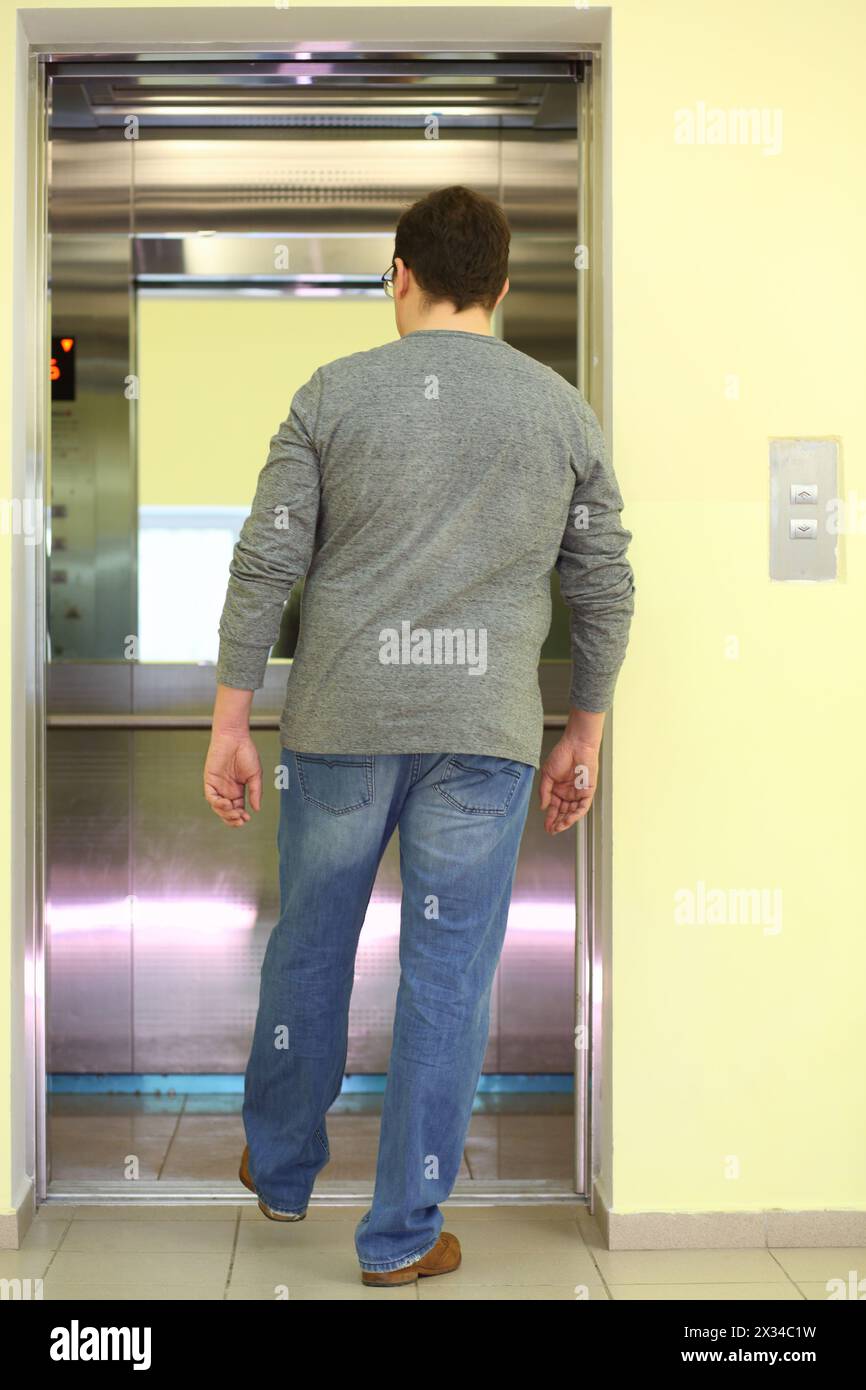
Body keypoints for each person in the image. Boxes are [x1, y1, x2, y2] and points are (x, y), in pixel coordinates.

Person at [204, 184, 634, 1287]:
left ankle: (286, 1164)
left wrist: (230, 720)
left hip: (341, 721)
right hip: (482, 737)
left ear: (399, 275)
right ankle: (400, 1237)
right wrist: (579, 732)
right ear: (499, 286)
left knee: (310, 941)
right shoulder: (558, 412)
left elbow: (265, 563)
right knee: (447, 979)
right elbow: (603, 587)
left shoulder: (332, 395)